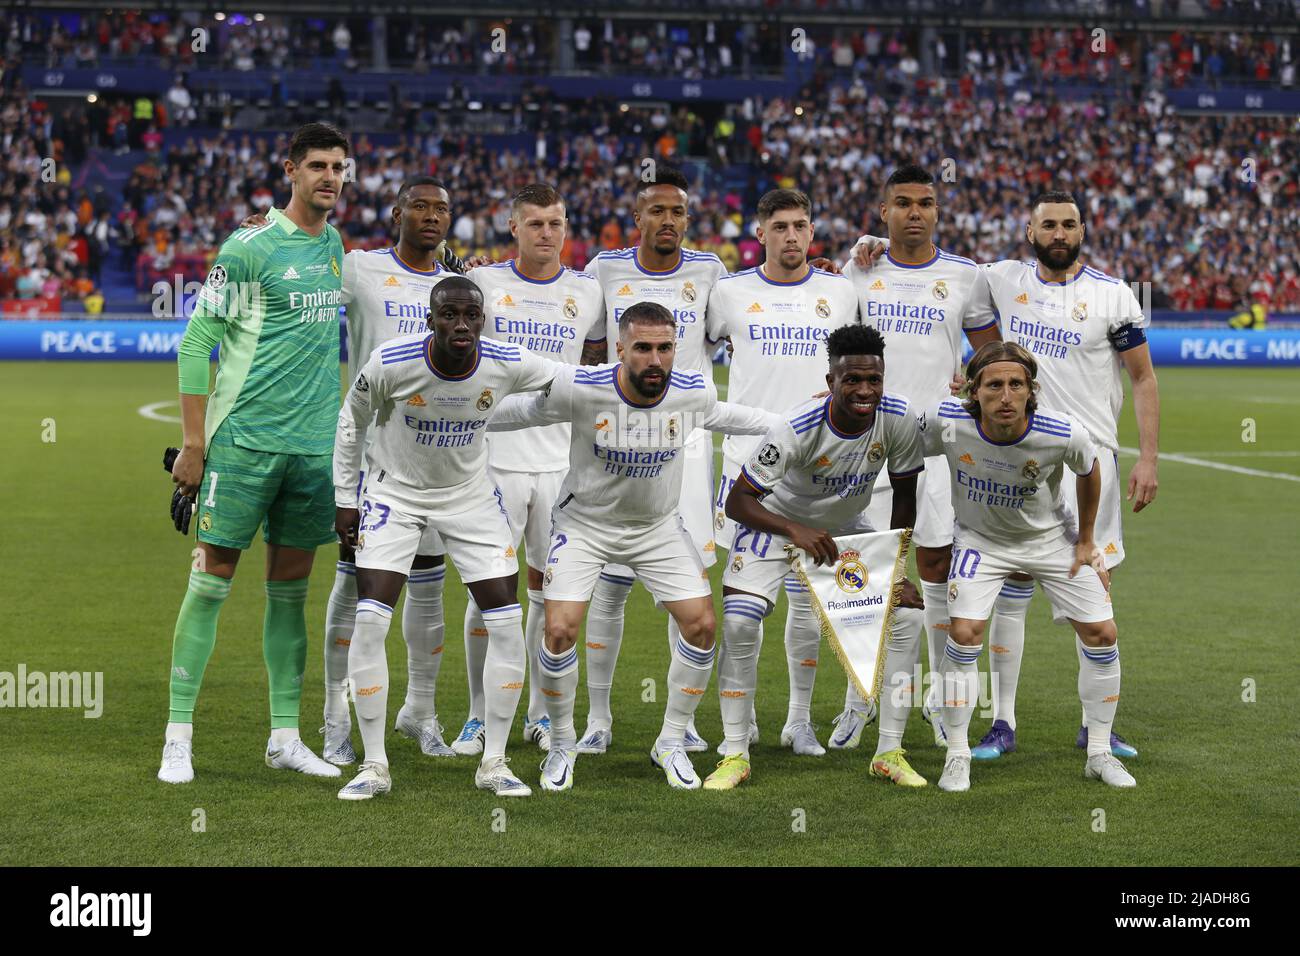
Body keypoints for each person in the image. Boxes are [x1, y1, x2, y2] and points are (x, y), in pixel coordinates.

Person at [486, 302, 779, 791]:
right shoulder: (583, 388)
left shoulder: (690, 393)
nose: (655, 359)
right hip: (584, 524)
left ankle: (668, 740)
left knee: (703, 625)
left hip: (656, 528)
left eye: (665, 348)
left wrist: (801, 417)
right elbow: (520, 413)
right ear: (620, 349)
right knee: (558, 630)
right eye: (642, 348)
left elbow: (737, 416)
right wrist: (457, 408)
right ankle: (561, 741)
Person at [158, 122, 351, 785]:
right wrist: (194, 443)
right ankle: (178, 737)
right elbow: (194, 343)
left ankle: (284, 737)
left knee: (290, 595)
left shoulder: (333, 246)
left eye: (339, 167)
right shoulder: (249, 248)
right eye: (318, 165)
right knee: (210, 582)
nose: (331, 177)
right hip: (243, 445)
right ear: (290, 169)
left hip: (312, 453)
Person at [331, 275, 563, 799]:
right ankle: (373, 765)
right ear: (430, 319)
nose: (461, 324)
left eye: (470, 315)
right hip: (395, 494)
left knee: (505, 623)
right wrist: (347, 497)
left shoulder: (505, 361)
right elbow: (351, 422)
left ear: (482, 319)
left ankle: (496, 762)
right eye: (449, 314)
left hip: (470, 497)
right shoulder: (392, 362)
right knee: (370, 620)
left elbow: (565, 381)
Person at [710, 323, 928, 790]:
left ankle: (889, 751)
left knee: (907, 613)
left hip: (845, 531)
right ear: (831, 381)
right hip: (775, 524)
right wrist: (795, 530)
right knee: (740, 620)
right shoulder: (795, 427)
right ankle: (734, 753)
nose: (864, 390)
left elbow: (905, 500)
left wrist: (896, 569)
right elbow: (739, 501)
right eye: (852, 380)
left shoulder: (900, 419)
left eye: (874, 380)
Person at [921, 341, 1135, 792]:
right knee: (963, 634)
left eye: (1016, 384)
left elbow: (1089, 469)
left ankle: (1098, 751)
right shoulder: (949, 422)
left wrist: (1088, 540)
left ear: (1030, 390)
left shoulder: (1061, 432)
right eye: (993, 385)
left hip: (1051, 542)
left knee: (1103, 634)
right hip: (982, 542)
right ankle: (957, 754)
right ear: (973, 391)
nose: (1005, 395)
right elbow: (900, 437)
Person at [838, 164, 1000, 752]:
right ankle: (862, 697)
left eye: (925, 202)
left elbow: (993, 356)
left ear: (938, 211)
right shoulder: (858, 270)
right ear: (883, 212)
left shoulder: (966, 276)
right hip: (863, 446)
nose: (914, 212)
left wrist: (975, 384)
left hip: (933, 451)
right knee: (864, 572)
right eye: (902, 202)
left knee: (935, 571)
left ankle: (933, 700)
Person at [452, 183, 605, 756]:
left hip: (564, 465)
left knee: (548, 591)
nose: (547, 233)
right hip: (493, 460)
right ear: (513, 227)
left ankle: (540, 713)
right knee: (489, 589)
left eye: (556, 223)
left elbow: (596, 358)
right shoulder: (485, 284)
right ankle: (475, 714)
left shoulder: (587, 294)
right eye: (535, 223)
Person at [706, 187, 859, 757]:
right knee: (744, 613)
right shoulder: (728, 293)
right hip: (749, 476)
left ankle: (798, 721)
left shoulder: (840, 293)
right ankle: (737, 727)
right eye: (780, 227)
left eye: (800, 225)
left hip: (822, 479)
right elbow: (695, 352)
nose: (791, 236)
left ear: (812, 232)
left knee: (808, 605)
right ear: (760, 233)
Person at [578, 167, 726, 756]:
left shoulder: (710, 273)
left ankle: (681, 720)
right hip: (616, 444)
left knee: (683, 585)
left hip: (686, 448)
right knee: (609, 588)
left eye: (678, 213)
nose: (668, 221)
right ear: (636, 217)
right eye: (657, 211)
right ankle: (597, 717)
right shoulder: (604, 271)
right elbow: (590, 351)